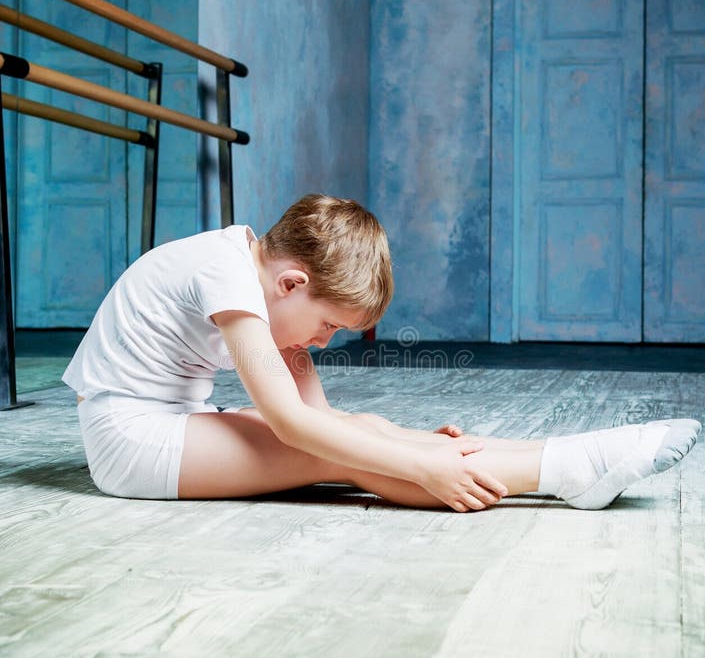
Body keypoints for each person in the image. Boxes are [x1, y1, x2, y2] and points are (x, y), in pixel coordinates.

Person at [63, 194, 700, 512]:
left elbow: (324, 419)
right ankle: (565, 472)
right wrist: (418, 464)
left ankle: (563, 459)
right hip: (131, 444)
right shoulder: (225, 276)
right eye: (327, 324)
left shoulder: (257, 278)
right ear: (293, 284)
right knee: (352, 456)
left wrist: (414, 440)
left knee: (362, 434)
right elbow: (295, 427)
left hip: (169, 428)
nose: (322, 341)